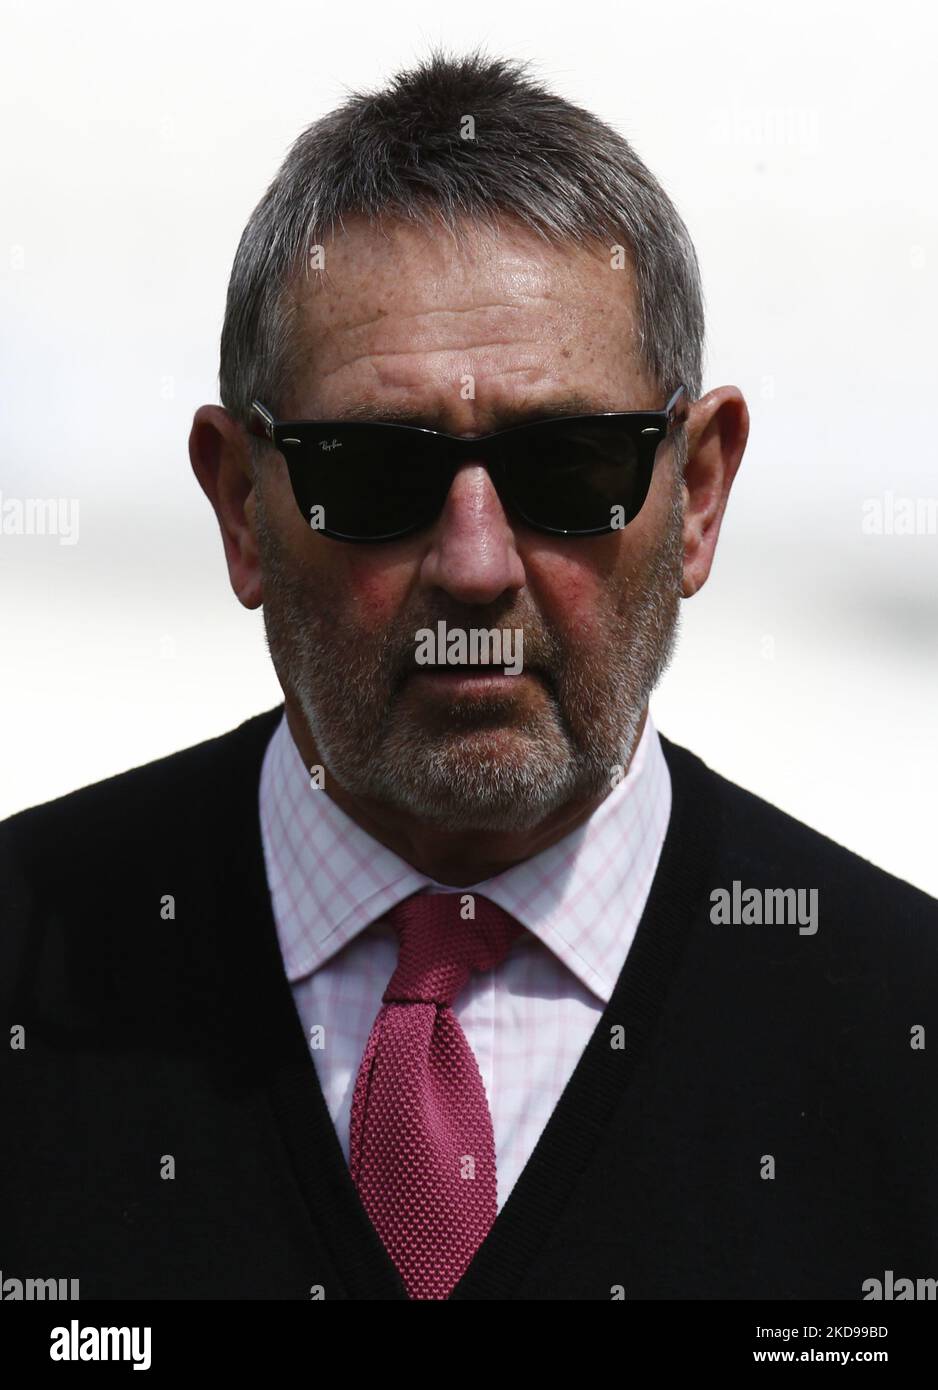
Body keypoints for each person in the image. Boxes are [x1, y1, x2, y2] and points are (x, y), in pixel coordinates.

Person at [2, 48, 935, 1302]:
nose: (476, 561)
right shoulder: (34, 963)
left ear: (699, 494)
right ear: (238, 505)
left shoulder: (899, 1034)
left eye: (569, 466)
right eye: (374, 474)